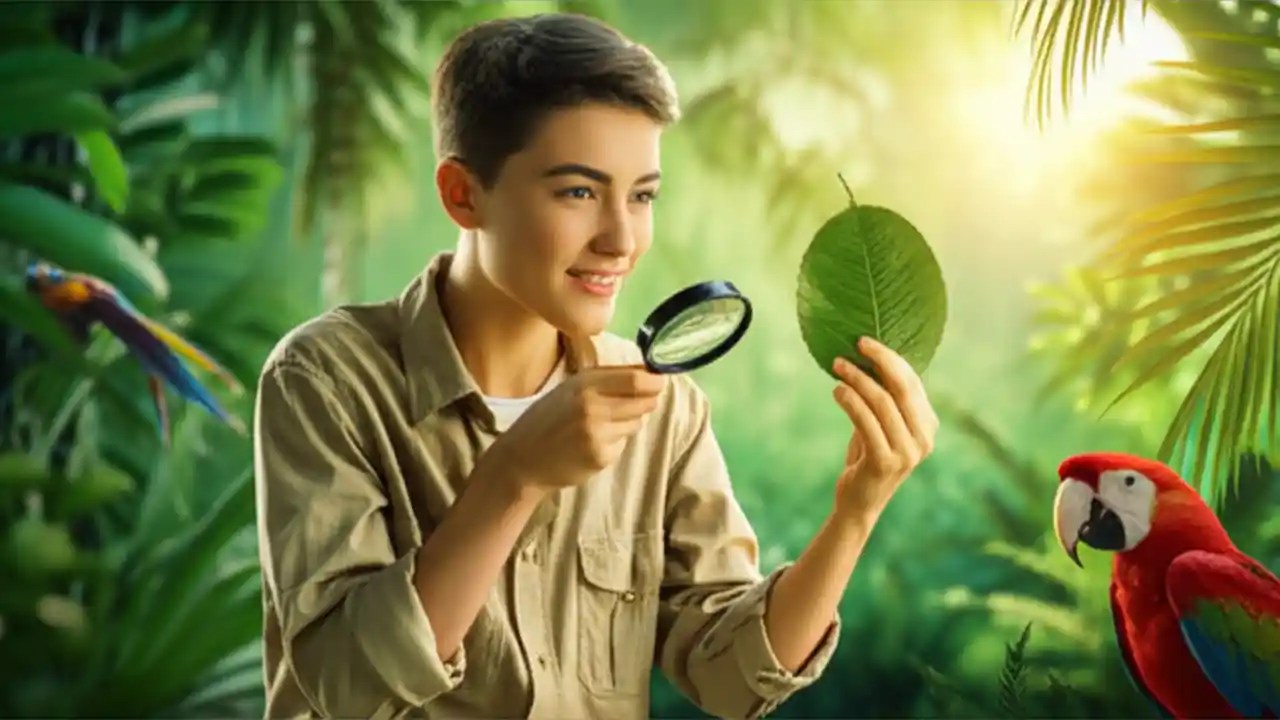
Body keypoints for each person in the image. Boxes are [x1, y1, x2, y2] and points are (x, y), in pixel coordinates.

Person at [252, 11, 939, 720]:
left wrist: (856, 513)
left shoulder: (665, 410)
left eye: (642, 196)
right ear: (463, 194)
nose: (621, 238)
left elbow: (734, 681)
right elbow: (343, 687)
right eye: (578, 192)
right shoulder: (324, 381)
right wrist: (511, 478)